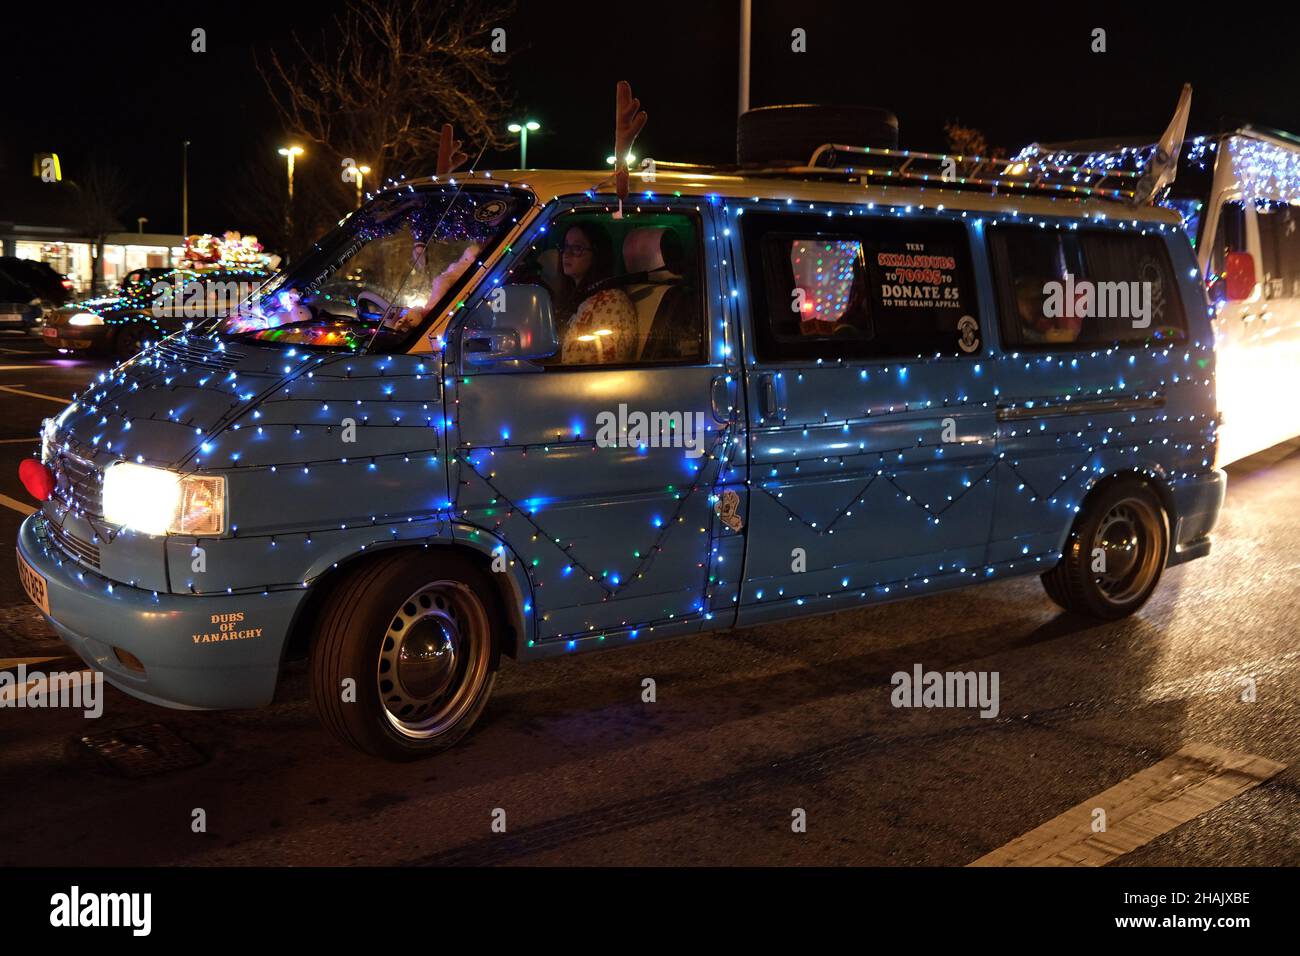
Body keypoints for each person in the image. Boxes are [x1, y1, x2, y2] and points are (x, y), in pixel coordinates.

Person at [554, 222, 638, 364]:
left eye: (577, 248)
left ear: (597, 254)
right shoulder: (574, 298)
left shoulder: (611, 301)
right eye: (565, 246)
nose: (566, 254)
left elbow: (603, 364)